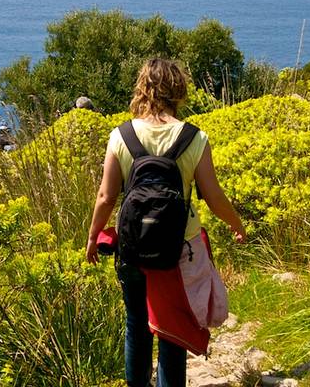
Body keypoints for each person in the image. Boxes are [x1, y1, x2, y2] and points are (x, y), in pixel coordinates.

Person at [85, 58, 247, 387]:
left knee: (136, 322)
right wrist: (236, 223)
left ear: (142, 89)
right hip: (179, 249)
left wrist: (93, 237)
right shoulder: (195, 138)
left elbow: (106, 197)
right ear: (178, 90)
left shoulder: (121, 136)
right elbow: (213, 196)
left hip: (133, 246)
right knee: (172, 329)